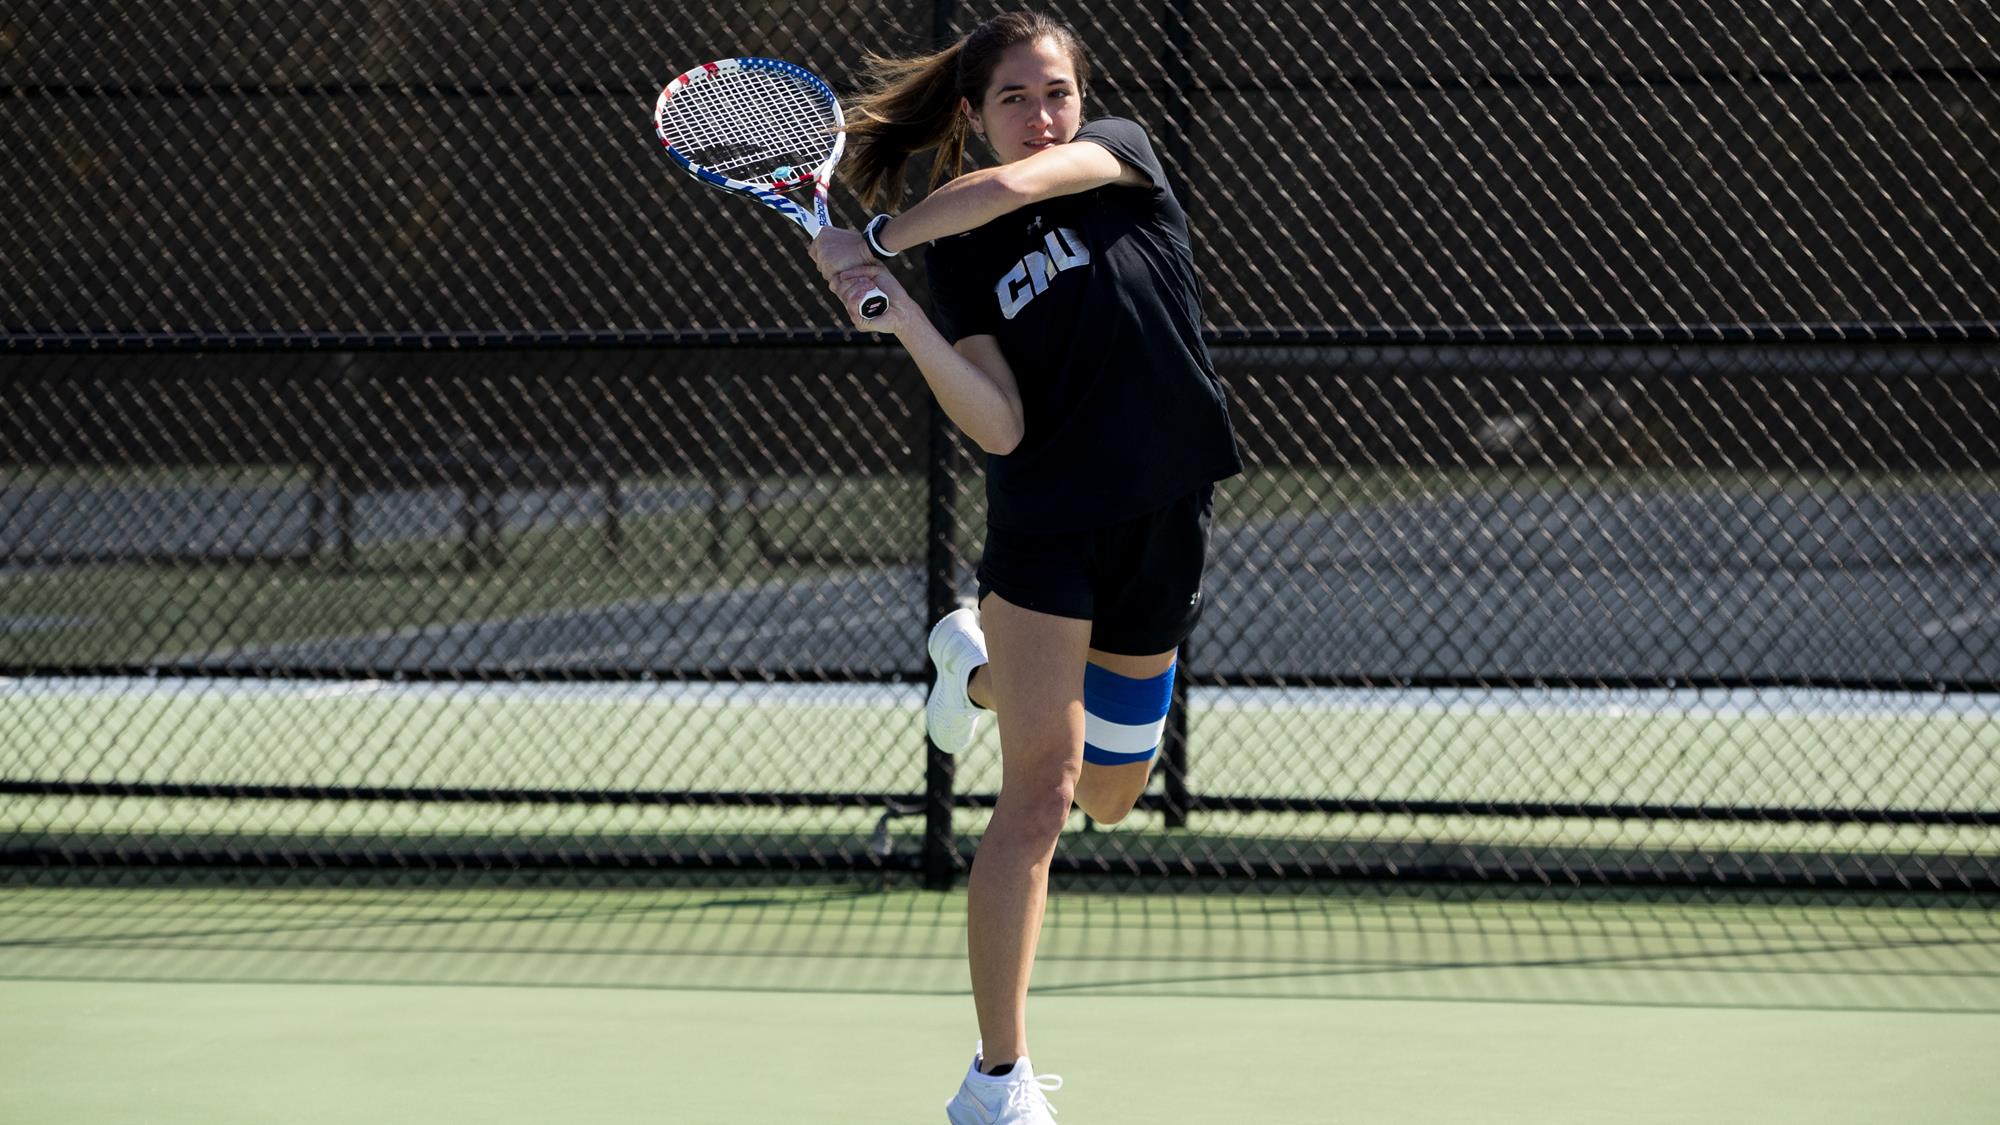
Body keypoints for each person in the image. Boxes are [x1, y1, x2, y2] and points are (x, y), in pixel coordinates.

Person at [809, 11, 1241, 1122]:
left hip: (1164, 517)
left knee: (1110, 794)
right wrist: (897, 307)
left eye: (1054, 90)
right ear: (973, 114)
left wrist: (877, 233)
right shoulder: (960, 260)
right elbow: (997, 424)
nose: (1041, 114)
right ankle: (994, 1081)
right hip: (1046, 526)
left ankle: (979, 663)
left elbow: (1006, 191)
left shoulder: (1120, 154)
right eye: (1014, 99)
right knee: (1041, 792)